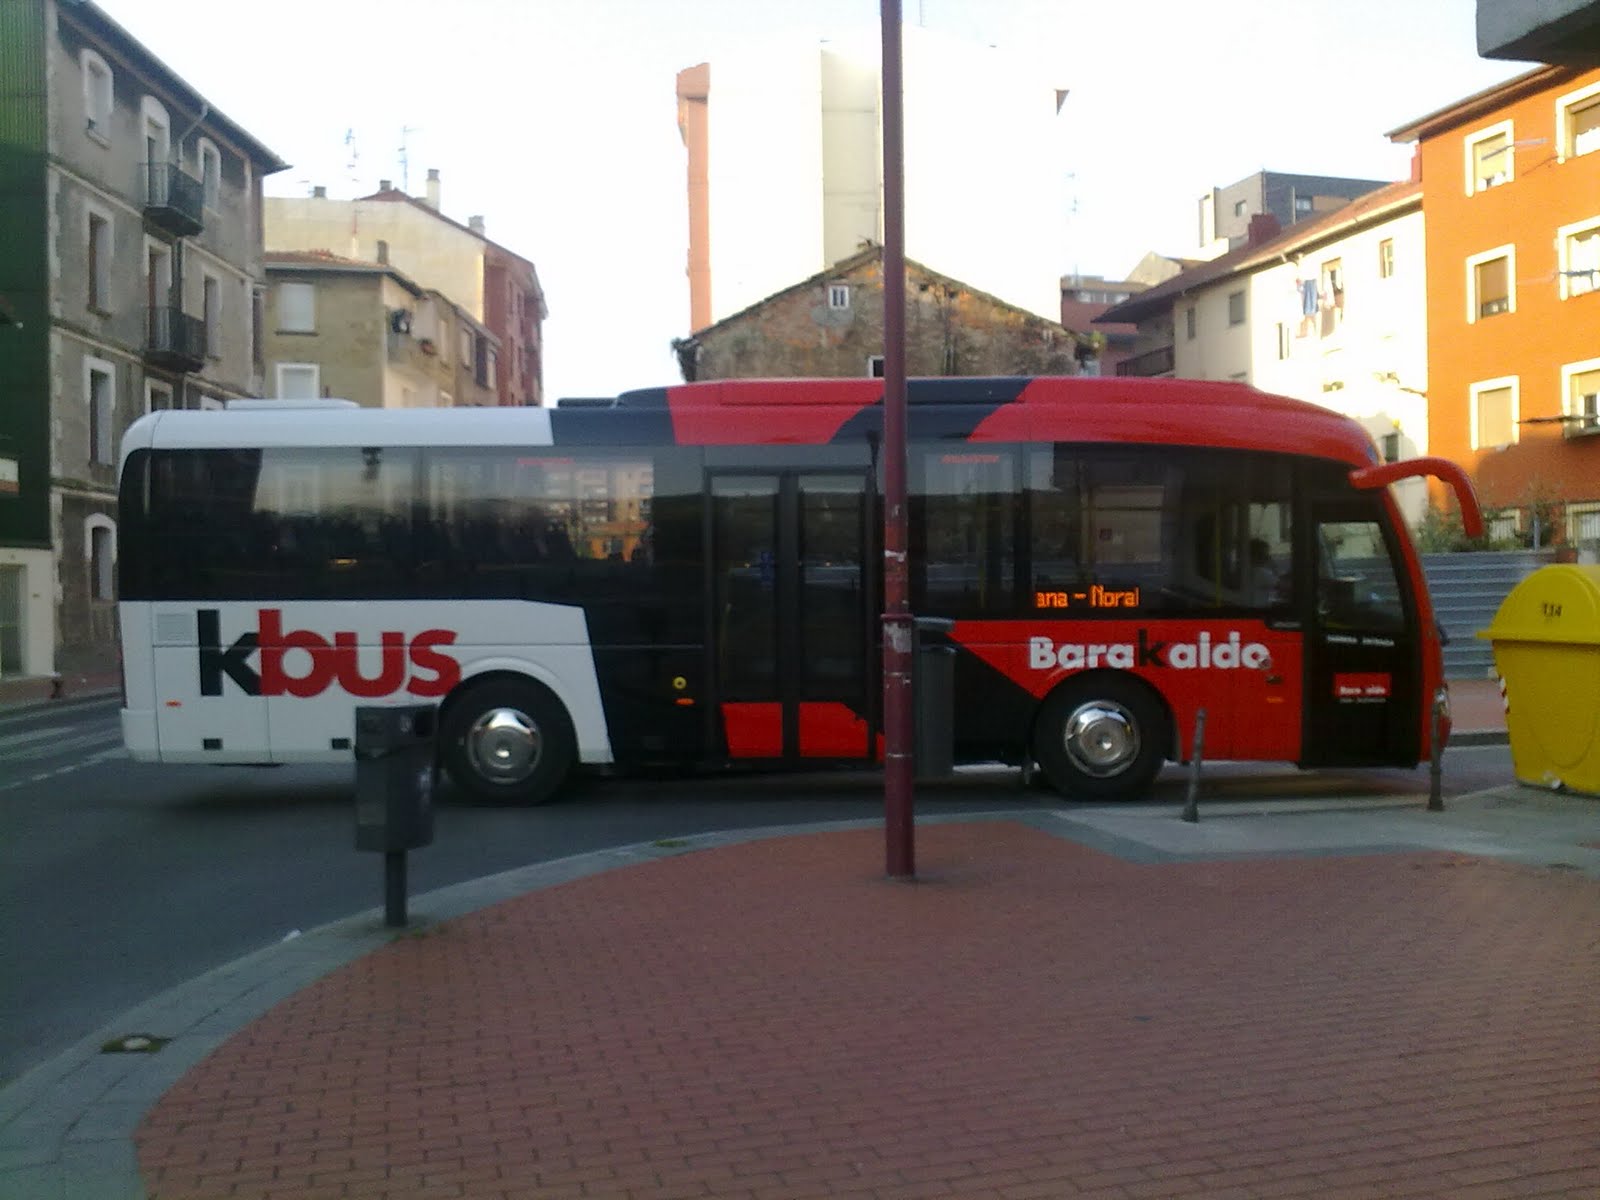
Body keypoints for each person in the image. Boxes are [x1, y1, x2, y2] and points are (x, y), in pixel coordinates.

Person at [1248, 538, 1281, 605]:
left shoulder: (1248, 570)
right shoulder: (1260, 573)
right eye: (1265, 555)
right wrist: (1273, 566)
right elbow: (1282, 585)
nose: (1268, 558)